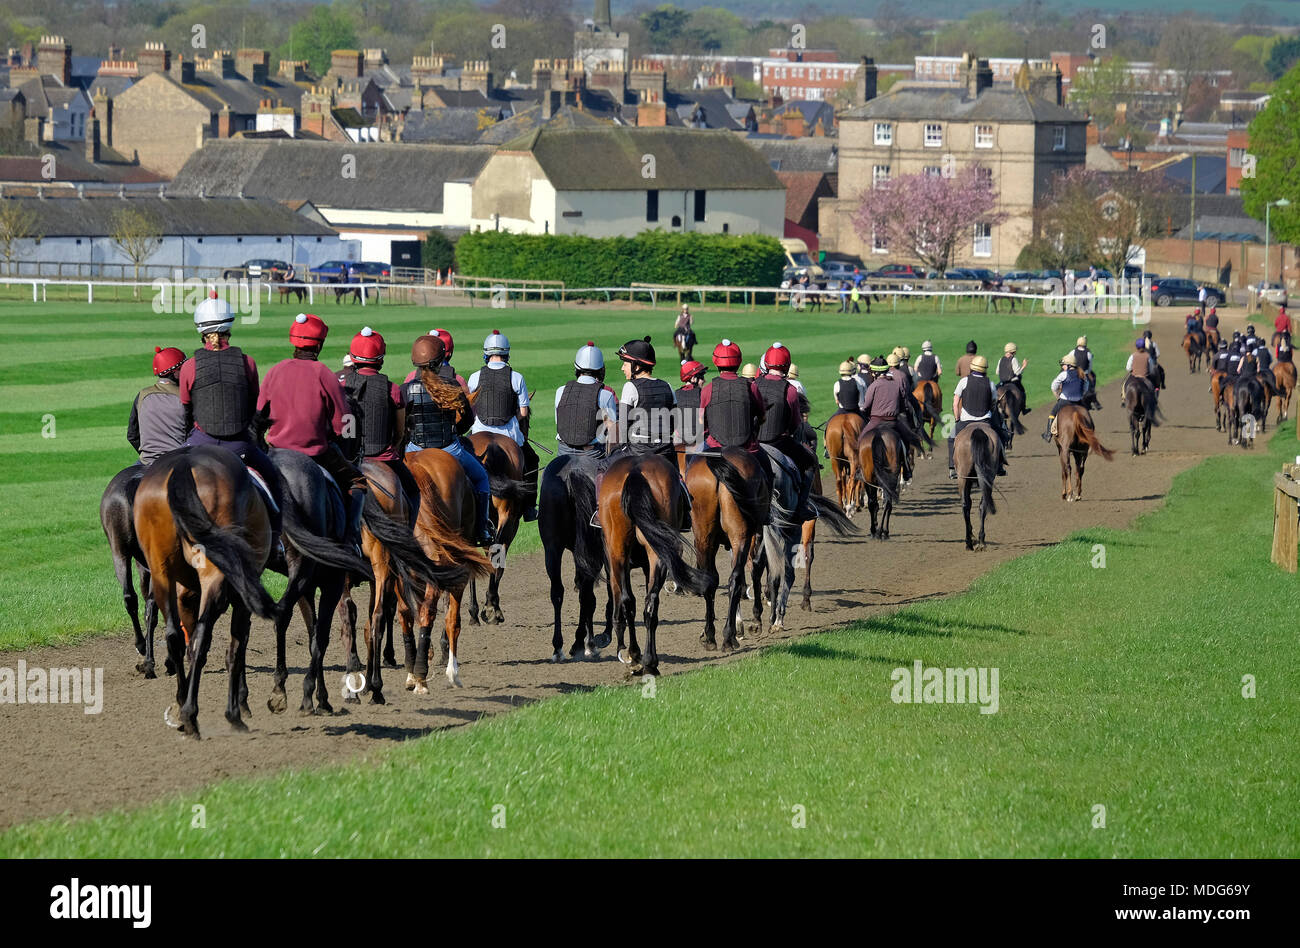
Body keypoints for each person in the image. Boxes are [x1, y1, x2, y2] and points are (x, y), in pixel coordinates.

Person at [255, 313, 368, 553]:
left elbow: (258, 413)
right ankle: (350, 540)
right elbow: (342, 422)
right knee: (357, 481)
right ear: (319, 344)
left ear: (293, 342)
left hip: (275, 453)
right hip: (316, 453)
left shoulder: (275, 371)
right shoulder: (324, 373)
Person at [178, 293, 282, 551]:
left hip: (200, 445)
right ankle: (277, 539)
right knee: (274, 479)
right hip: (240, 447)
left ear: (201, 331)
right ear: (229, 327)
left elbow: (186, 413)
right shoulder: (248, 363)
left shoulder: (189, 367)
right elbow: (252, 405)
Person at [405, 335, 495, 545]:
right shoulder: (452, 385)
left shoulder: (406, 389)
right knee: (482, 478)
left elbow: (403, 425)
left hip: (414, 448)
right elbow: (467, 421)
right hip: (450, 448)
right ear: (440, 361)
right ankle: (483, 530)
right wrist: (456, 430)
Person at [337, 326, 420, 514]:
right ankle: (407, 540)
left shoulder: (340, 386)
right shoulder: (392, 389)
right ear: (381, 357)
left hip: (348, 460)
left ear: (353, 357)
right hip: (384, 457)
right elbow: (399, 433)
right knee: (414, 493)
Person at [467, 330, 538, 522]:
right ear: (506, 353)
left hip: (479, 430)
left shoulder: (474, 377)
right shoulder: (517, 377)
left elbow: (470, 408)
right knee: (532, 460)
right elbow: (523, 412)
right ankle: (530, 506)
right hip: (510, 434)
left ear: (486, 353)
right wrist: (511, 418)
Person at [755, 343, 819, 521]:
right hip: (779, 442)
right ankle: (801, 507)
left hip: (753, 443)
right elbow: (795, 425)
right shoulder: (790, 390)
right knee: (809, 462)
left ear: (766, 364)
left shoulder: (754, 384)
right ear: (787, 365)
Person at [610, 336, 677, 462]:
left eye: (625, 364)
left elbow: (624, 424)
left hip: (638, 449)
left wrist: (624, 446)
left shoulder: (630, 386)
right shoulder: (668, 386)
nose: (622, 368)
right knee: (679, 479)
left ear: (636, 366)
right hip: (666, 450)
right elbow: (674, 422)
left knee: (602, 466)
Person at [950, 354, 1010, 478]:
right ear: (985, 369)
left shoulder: (963, 381)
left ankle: (952, 468)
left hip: (966, 421)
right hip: (985, 420)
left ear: (972, 367)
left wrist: (957, 419)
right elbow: (993, 404)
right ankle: (999, 466)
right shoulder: (991, 383)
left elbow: (955, 403)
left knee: (951, 437)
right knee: (1001, 435)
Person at [555, 341, 618, 459]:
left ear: (576, 368)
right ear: (600, 370)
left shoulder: (560, 391)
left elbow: (560, 423)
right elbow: (612, 433)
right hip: (592, 454)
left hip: (563, 453)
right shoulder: (606, 395)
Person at [127, 346, 188, 465]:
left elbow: (132, 435)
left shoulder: (142, 395)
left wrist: (150, 455)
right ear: (175, 373)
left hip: (147, 461)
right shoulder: (185, 397)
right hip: (178, 461)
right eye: (183, 368)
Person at [1043, 352, 1088, 442]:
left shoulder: (1064, 374)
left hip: (1065, 401)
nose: (1062, 367)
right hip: (1078, 402)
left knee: (1052, 414)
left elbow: (1053, 386)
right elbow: (1086, 387)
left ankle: (1048, 434)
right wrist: (1080, 394)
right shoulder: (1082, 374)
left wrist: (1057, 396)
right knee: (1087, 416)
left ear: (1069, 365)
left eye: (1063, 365)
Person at [675, 359, 709, 453]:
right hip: (701, 440)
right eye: (701, 377)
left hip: (679, 440)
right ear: (693, 378)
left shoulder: (675, 394)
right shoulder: (703, 394)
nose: (704, 380)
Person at [996, 343, 1030, 413]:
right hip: (1012, 381)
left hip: (1002, 382)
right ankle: (1023, 409)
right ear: (1013, 351)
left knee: (994, 391)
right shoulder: (1013, 359)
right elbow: (1017, 372)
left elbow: (997, 372)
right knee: (1022, 391)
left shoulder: (1000, 359)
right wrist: (1023, 366)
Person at [1072, 335, 1102, 410]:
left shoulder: (1073, 352)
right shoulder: (1088, 353)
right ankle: (1094, 399)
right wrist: (1088, 372)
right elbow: (1090, 366)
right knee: (1093, 378)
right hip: (1085, 373)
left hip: (1074, 373)